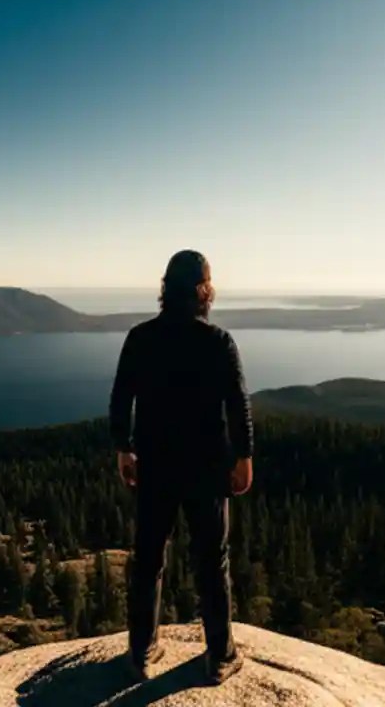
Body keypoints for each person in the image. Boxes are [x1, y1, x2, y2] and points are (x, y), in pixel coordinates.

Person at [108, 249, 254, 685]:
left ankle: (142, 651)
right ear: (203, 291)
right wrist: (244, 457)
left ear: (164, 289)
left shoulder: (140, 337)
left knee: (149, 557)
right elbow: (238, 404)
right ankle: (220, 655)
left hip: (155, 464)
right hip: (208, 468)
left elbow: (121, 399)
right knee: (212, 561)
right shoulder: (218, 342)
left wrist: (123, 449)